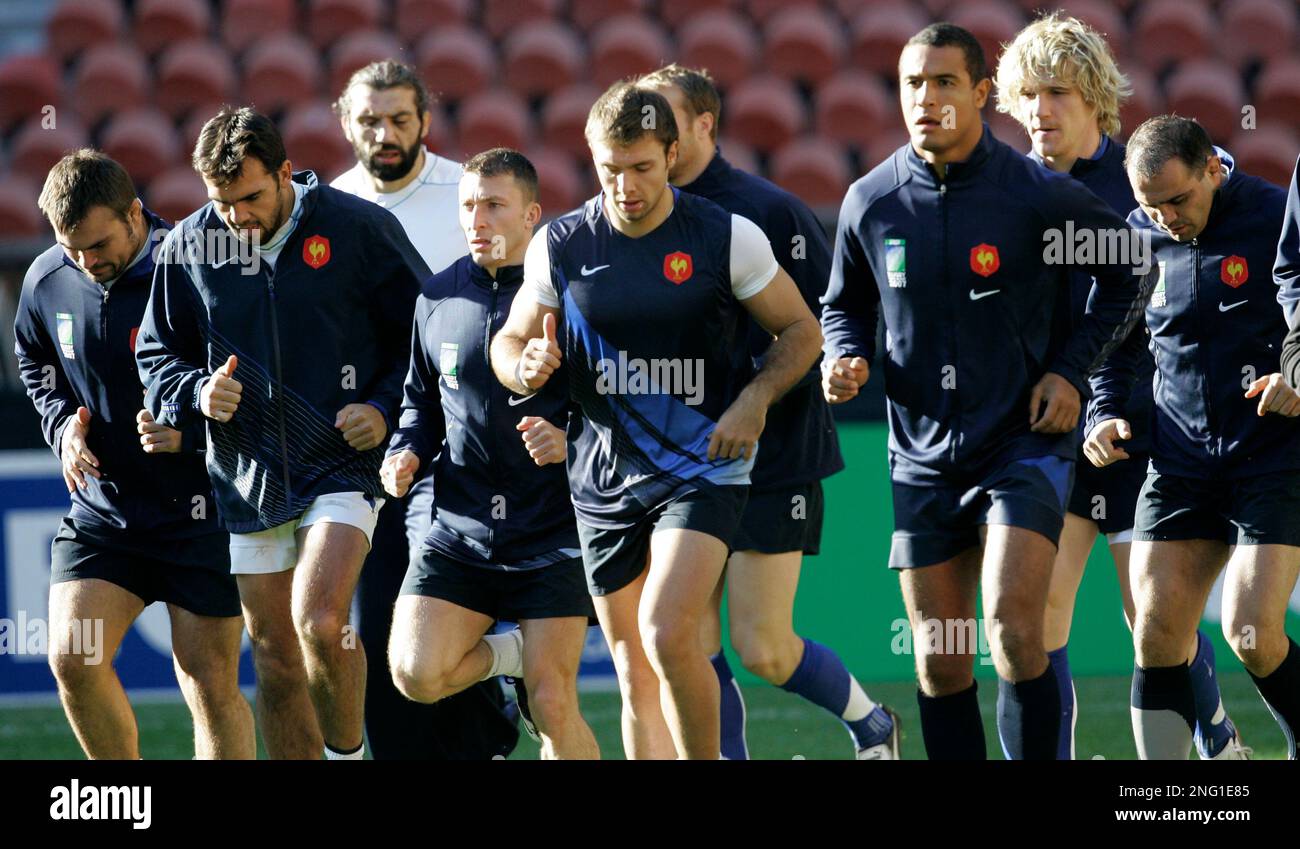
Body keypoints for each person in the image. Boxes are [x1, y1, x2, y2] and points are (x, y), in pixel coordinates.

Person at [821, 23, 1152, 759]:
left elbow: (1131, 270)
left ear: (978, 94)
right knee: (939, 662)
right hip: (921, 458)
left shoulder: (1035, 193)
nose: (926, 98)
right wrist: (843, 354)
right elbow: (843, 305)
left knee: (1009, 628)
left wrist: (1070, 370)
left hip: (1022, 448)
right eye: (913, 83)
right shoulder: (871, 201)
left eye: (944, 83)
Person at [490, 82, 823, 759]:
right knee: (633, 665)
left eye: (641, 166)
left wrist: (753, 400)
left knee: (667, 630)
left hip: (704, 466)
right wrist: (523, 368)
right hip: (602, 478)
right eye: (609, 168)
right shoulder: (560, 243)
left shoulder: (726, 235)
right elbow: (508, 341)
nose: (625, 183)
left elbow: (801, 331)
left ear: (672, 154)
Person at [136, 107, 427, 760]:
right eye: (221, 202)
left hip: (344, 463)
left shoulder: (358, 229)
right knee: (275, 654)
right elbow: (156, 355)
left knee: (321, 621)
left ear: (286, 173)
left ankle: (350, 756)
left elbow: (426, 332)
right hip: (246, 472)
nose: (236, 216)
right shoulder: (186, 246)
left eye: (250, 197)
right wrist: (196, 392)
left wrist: (383, 406)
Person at [994, 13, 1241, 759]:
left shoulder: (1139, 178)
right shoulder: (1004, 188)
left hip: (1142, 427)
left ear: (1096, 98)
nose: (1041, 110)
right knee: (1027, 626)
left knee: (1151, 617)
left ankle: (1216, 745)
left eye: (1058, 92)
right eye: (1029, 93)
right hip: (1046, 435)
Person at [637, 64, 897, 759]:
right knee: (685, 637)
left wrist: (792, 386)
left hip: (772, 453)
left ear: (704, 125)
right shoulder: (632, 213)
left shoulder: (769, 210)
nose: (650, 134)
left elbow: (822, 321)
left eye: (664, 118)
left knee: (763, 646)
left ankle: (872, 721)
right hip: (678, 466)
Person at [14, 149, 253, 759]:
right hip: (106, 512)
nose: (86, 262)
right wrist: (62, 422)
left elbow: (258, 385)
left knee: (208, 682)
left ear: (134, 214)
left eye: (98, 245)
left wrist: (192, 435)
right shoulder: (45, 279)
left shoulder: (200, 269)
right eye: (73, 250)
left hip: (201, 514)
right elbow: (35, 361)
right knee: (73, 657)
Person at [1086, 116, 1298, 760]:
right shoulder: (1137, 236)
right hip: (1179, 459)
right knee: (1154, 635)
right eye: (1152, 205)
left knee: (1253, 634)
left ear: (1214, 168)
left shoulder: (1272, 216)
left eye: (1178, 200)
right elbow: (1113, 347)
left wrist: (1295, 375)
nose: (1167, 218)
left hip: (1272, 453)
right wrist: (1102, 412)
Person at [381, 147, 599, 759]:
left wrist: (572, 440)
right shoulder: (437, 296)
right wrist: (404, 451)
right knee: (416, 675)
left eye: (494, 206)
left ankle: (531, 671)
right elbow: (419, 405)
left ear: (532, 215)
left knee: (554, 703)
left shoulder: (576, 296)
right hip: (461, 529)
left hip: (552, 528)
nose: (478, 220)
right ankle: (512, 656)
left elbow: (619, 407)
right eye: (469, 206)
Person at [332, 59, 517, 760]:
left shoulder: (468, 196)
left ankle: (491, 725)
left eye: (399, 119)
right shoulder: (330, 206)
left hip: (477, 452)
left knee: (454, 619)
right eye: (370, 119)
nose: (384, 133)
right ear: (345, 122)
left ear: (425, 122)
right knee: (381, 628)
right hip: (374, 455)